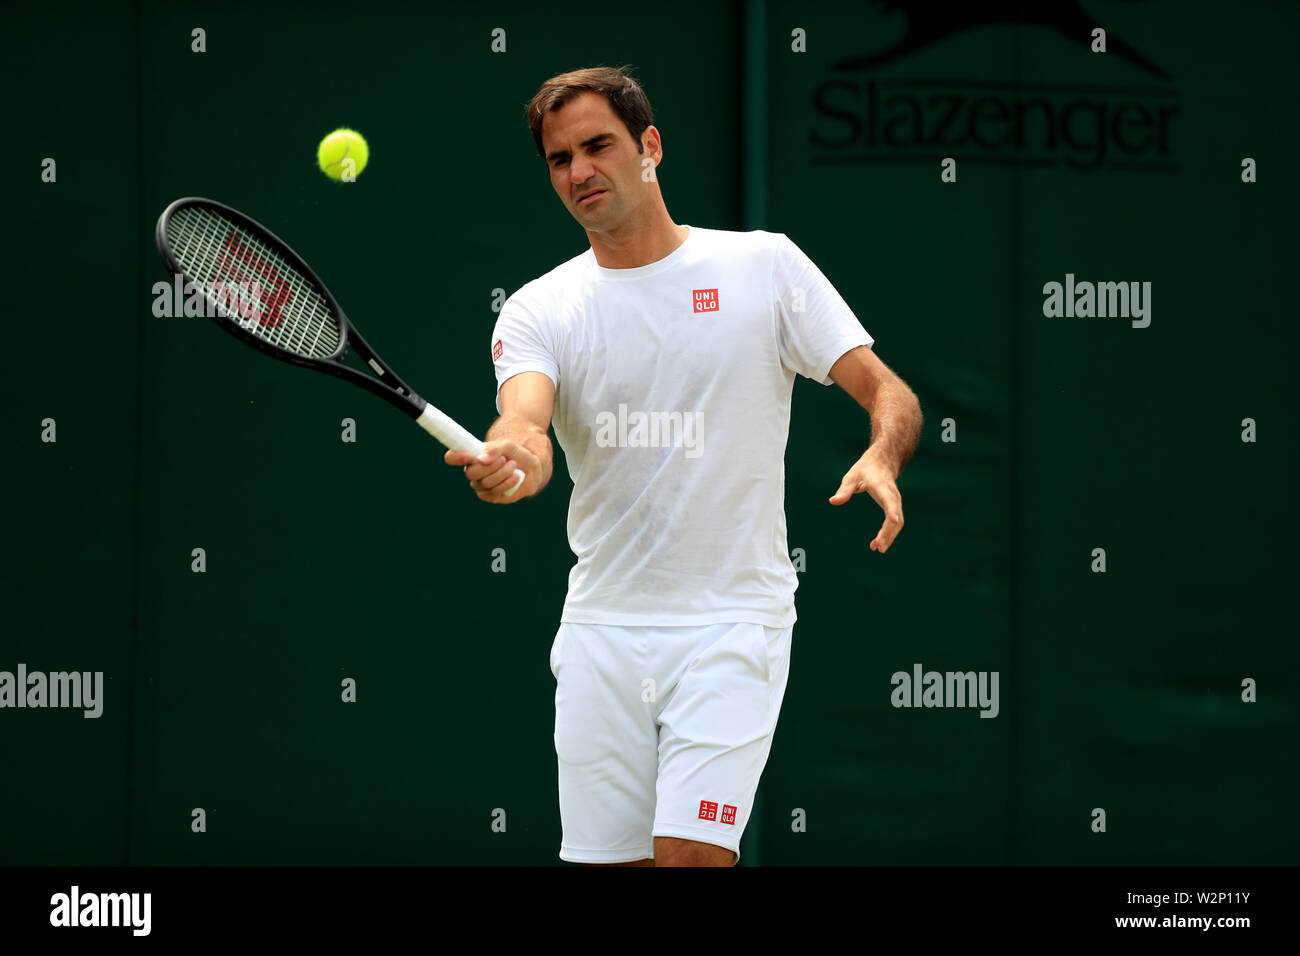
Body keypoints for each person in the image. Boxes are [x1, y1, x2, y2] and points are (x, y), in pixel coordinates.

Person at [445, 65, 923, 867]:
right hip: (602, 629)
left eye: (598, 145)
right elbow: (524, 425)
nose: (580, 171)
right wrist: (514, 463)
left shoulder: (764, 267)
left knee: (690, 859)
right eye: (560, 160)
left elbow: (887, 391)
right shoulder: (539, 308)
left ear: (650, 147)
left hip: (734, 624)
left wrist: (883, 451)